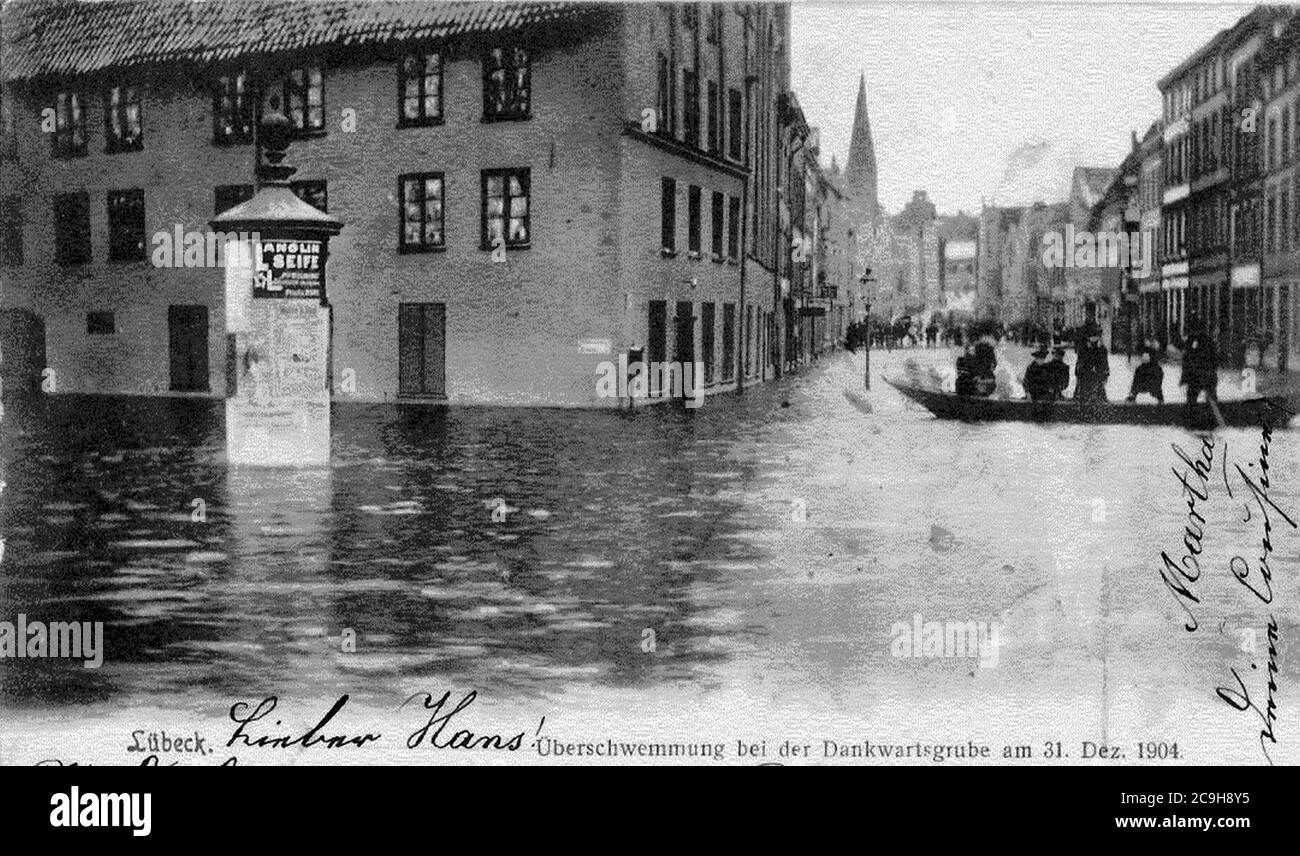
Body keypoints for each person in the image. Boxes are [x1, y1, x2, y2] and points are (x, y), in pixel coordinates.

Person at [1180, 322, 1218, 412]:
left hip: (1196, 375)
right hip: (1205, 374)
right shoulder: (1208, 341)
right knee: (1211, 398)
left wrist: (1184, 377)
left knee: (1192, 397)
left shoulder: (1191, 341)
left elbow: (1187, 360)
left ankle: (1191, 414)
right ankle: (1214, 414)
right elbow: (1215, 359)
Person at [1074, 324, 1109, 402]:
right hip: (1085, 378)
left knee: (1099, 397)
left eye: (1096, 336)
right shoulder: (1083, 349)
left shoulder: (1102, 349)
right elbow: (1079, 365)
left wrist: (1104, 374)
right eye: (1092, 336)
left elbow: (1105, 365)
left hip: (1097, 377)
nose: (1094, 339)